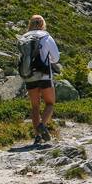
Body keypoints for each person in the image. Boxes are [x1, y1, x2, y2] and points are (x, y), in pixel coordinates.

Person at [18, 14, 61, 143]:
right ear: (43, 24)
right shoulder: (46, 36)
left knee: (35, 106)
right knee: (50, 103)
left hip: (29, 75)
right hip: (44, 74)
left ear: (30, 23)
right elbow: (56, 58)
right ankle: (42, 125)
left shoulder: (23, 38)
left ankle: (37, 136)